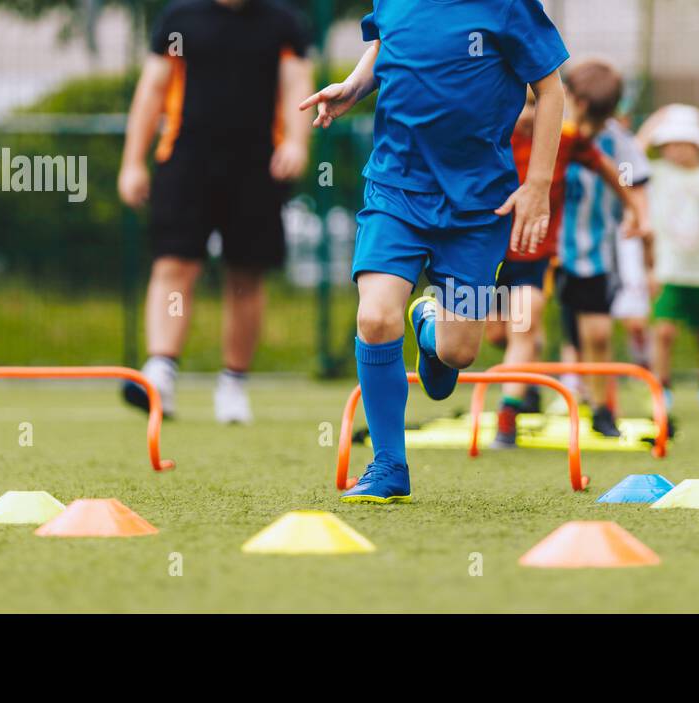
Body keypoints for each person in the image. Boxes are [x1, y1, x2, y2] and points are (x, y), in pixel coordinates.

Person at [300, 0, 570, 503]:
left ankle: (428, 325)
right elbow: (385, 44)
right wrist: (354, 87)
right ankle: (388, 465)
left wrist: (537, 185)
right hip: (395, 189)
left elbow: (551, 89)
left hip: (479, 208)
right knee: (376, 319)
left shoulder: (507, 7)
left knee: (459, 353)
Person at [116, 0, 312, 423]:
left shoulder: (284, 24)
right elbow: (152, 88)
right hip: (186, 162)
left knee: (246, 274)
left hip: (258, 166)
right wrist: (133, 161)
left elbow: (298, 85)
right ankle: (161, 373)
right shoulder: (179, 20)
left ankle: (233, 383)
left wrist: (296, 142)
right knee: (174, 265)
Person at [488, 82, 642, 448]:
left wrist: (632, 208)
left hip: (532, 252)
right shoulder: (491, 133)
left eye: (534, 104)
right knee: (497, 335)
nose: (527, 115)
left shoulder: (564, 138)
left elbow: (606, 168)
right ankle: (528, 365)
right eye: (520, 105)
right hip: (486, 253)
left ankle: (508, 414)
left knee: (522, 325)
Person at [553, 58, 651, 439]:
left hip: (594, 253)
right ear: (571, 99)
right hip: (546, 248)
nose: (590, 128)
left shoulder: (617, 142)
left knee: (596, 333)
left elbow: (636, 184)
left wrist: (636, 216)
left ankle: (602, 407)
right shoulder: (554, 131)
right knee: (521, 326)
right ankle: (525, 393)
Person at [638, 104, 699, 417]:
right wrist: (654, 121)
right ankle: (661, 388)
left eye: (681, 143)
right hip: (669, 269)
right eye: (669, 144)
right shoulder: (657, 175)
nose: (675, 151)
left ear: (697, 144)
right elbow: (631, 157)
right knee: (664, 331)